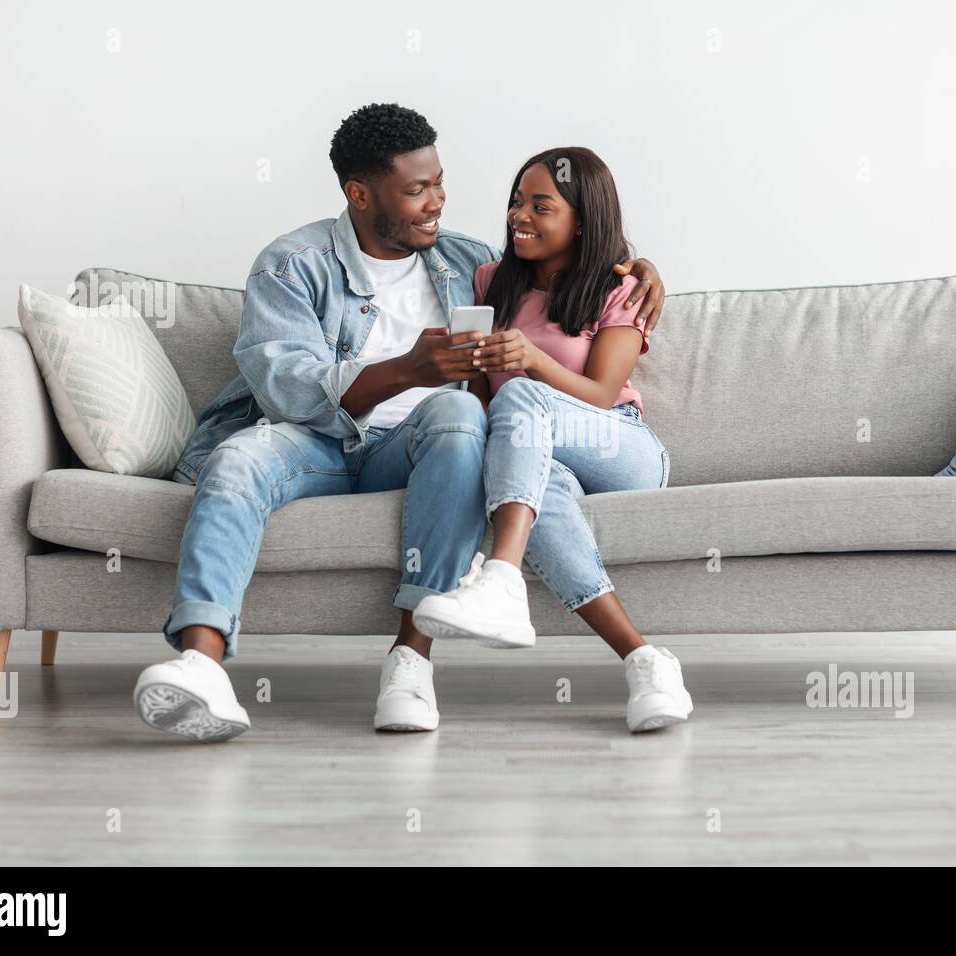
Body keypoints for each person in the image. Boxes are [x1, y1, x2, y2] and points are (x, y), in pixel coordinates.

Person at [132, 105, 666, 742]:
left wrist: (642, 269)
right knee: (239, 458)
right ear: (360, 194)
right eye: (417, 190)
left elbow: (571, 250)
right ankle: (203, 663)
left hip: (418, 446)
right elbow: (284, 389)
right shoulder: (290, 265)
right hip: (318, 442)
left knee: (461, 409)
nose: (437, 202)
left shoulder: (468, 263)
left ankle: (411, 662)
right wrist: (407, 368)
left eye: (439, 182)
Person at [411, 147, 692, 733]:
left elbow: (600, 390)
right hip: (540, 453)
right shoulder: (490, 281)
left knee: (521, 395)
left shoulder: (619, 288)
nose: (521, 216)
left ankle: (502, 576)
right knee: (542, 486)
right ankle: (646, 662)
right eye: (517, 202)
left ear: (583, 220)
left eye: (542, 206)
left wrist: (532, 362)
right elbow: (484, 398)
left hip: (619, 446)